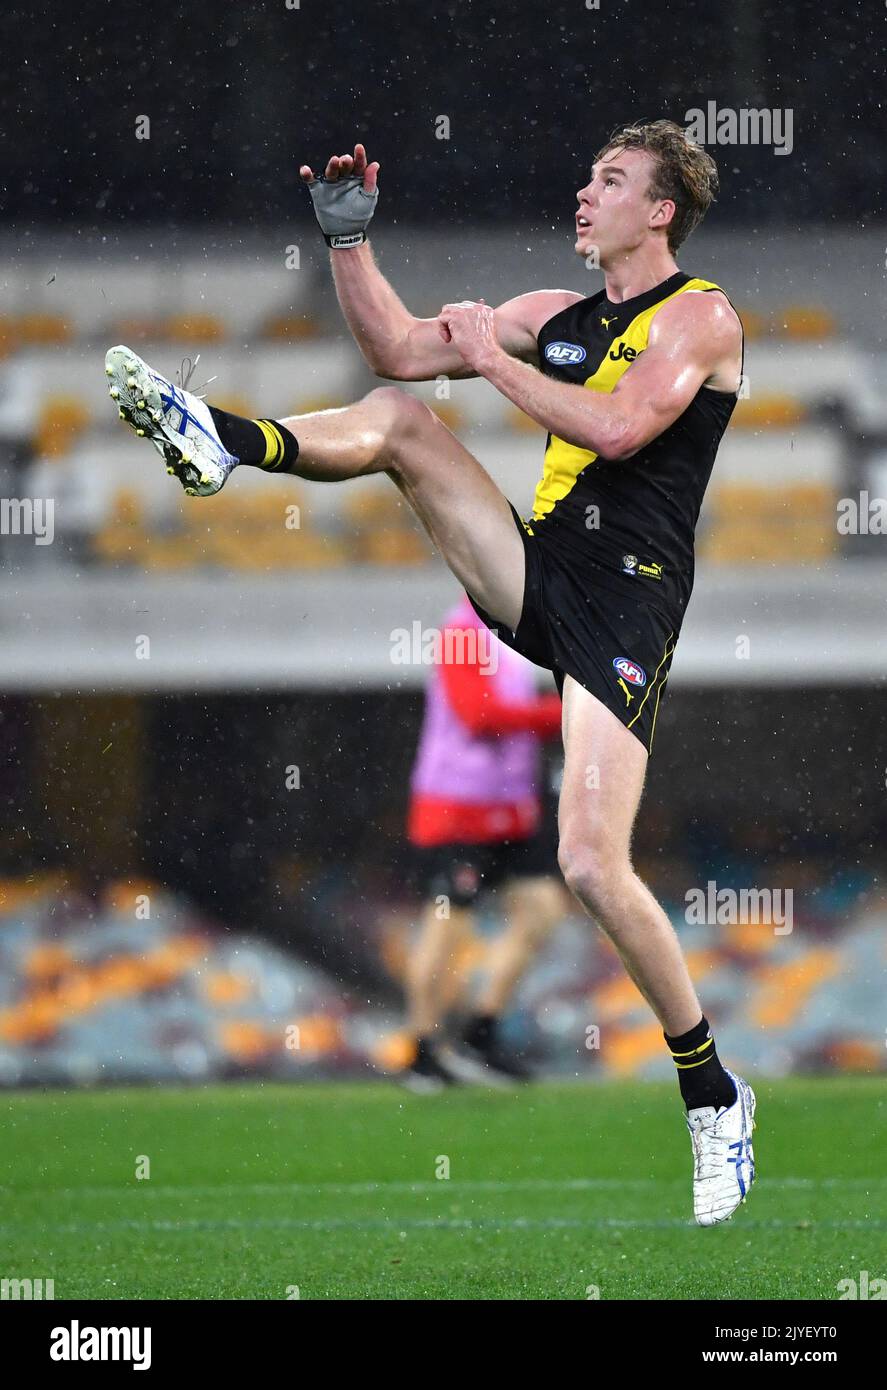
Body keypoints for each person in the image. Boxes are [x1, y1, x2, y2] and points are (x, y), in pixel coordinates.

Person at [103, 119, 754, 1225]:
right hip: (539, 570)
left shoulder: (700, 316)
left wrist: (492, 360)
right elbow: (399, 351)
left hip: (628, 602)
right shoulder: (552, 314)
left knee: (589, 864)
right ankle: (224, 440)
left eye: (609, 180)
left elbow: (619, 428)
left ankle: (711, 1093)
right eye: (587, 174)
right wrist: (346, 242)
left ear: (659, 211)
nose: (583, 193)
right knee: (399, 419)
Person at [403, 592, 568, 1092]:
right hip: (458, 807)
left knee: (542, 910)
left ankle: (480, 1031)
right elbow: (478, 715)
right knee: (448, 929)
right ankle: (424, 1052)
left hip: (508, 805)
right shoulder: (463, 632)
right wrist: (563, 714)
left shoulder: (509, 634)